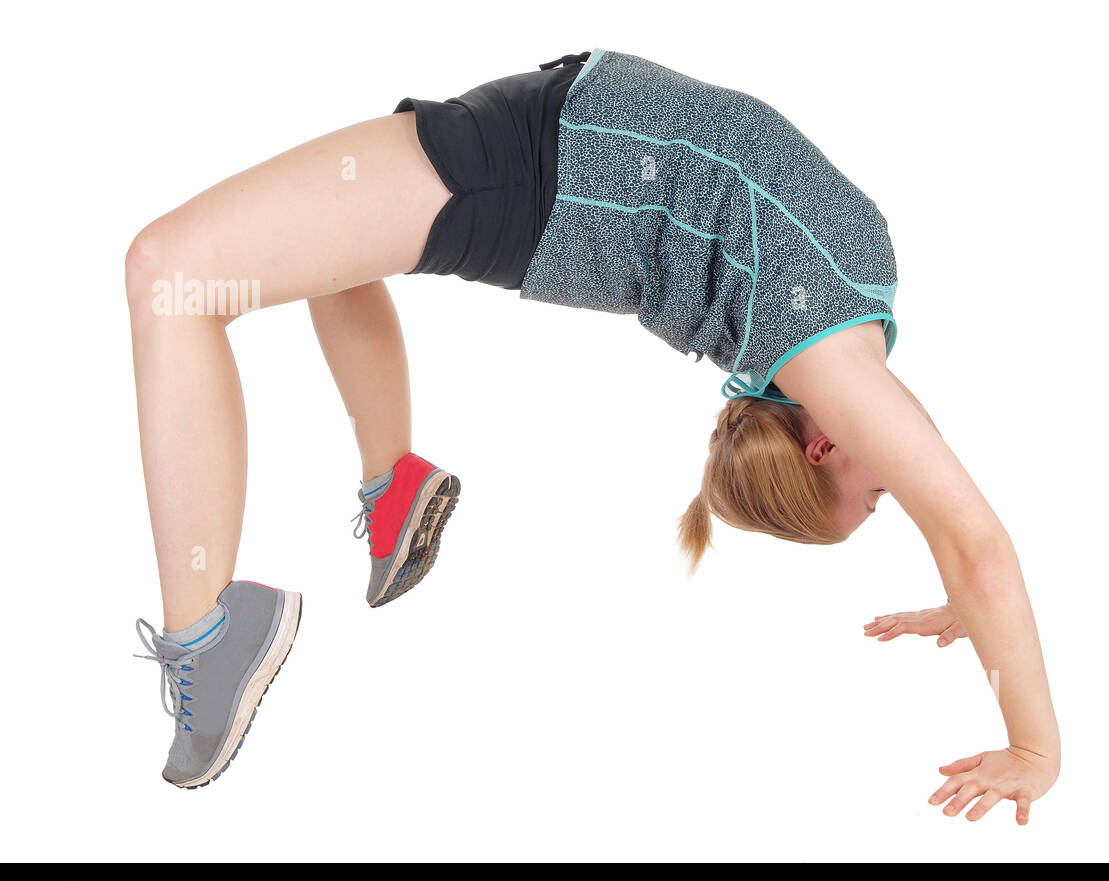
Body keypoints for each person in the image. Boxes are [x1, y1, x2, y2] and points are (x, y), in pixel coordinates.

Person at [127, 48, 1059, 823]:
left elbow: (965, 532)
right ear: (822, 448)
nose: (897, 473)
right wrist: (1006, 687)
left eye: (879, 490)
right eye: (882, 493)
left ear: (823, 445)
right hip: (546, 142)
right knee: (319, 255)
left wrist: (1015, 709)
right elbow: (968, 535)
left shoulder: (831, 352)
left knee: (171, 272)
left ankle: (205, 633)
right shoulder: (849, 340)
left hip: (543, 168)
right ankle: (396, 486)